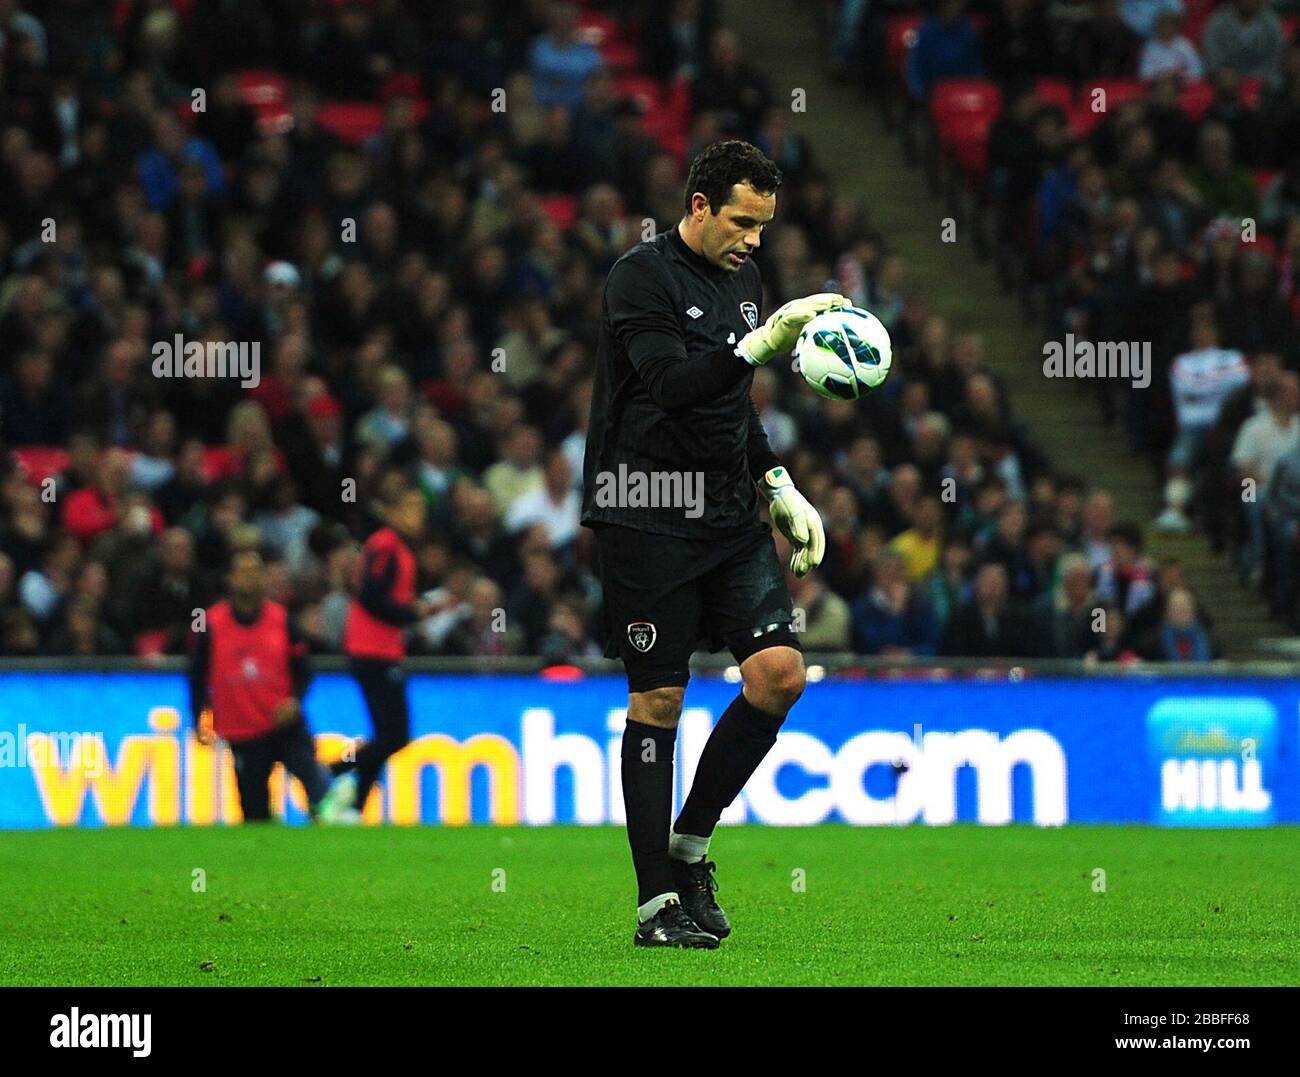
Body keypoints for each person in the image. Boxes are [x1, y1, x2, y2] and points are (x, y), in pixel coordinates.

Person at [583, 139, 838, 948]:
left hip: (728, 512)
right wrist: (760, 346)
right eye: (741, 222)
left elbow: (730, 406)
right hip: (646, 506)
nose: (754, 241)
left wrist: (777, 482)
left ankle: (691, 845)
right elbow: (671, 386)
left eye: (763, 226)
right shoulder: (638, 278)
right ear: (698, 205)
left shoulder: (746, 280)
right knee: (659, 699)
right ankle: (654, 904)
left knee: (777, 676)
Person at [188, 548, 333, 823]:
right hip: (242, 730)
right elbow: (197, 674)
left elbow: (304, 669)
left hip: (284, 723)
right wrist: (198, 716)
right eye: (243, 572)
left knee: (314, 782)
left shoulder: (283, 620)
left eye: (255, 572)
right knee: (254, 813)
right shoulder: (211, 624)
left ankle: (326, 816)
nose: (250, 579)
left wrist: (294, 700)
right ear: (230, 579)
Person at [320, 484, 432, 822]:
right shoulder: (386, 545)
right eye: (411, 507)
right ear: (394, 511)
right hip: (373, 650)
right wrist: (411, 613)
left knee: (386, 736)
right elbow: (370, 597)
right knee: (395, 736)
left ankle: (353, 806)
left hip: (381, 650)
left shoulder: (394, 547)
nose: (418, 516)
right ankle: (330, 772)